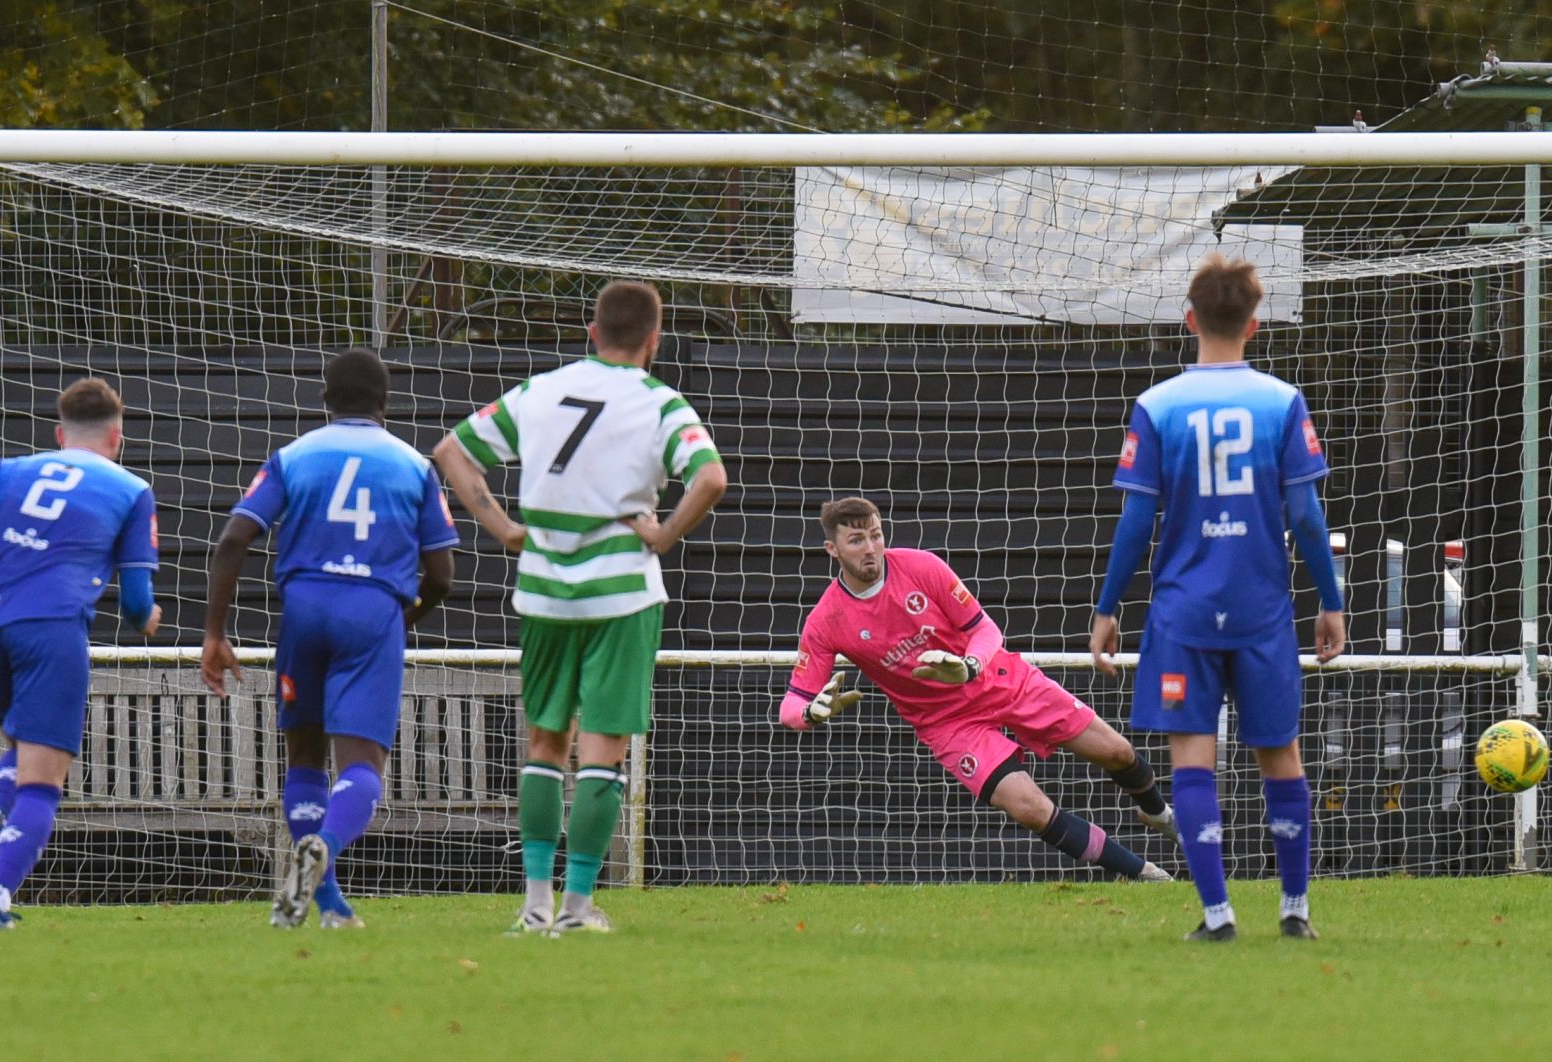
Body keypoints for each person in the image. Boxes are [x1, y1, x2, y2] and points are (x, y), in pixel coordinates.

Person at [433, 280, 728, 935]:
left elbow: (452, 451)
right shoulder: (660, 402)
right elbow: (710, 477)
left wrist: (504, 528)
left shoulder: (539, 391)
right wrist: (663, 534)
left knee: (545, 741)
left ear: (591, 332)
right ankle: (577, 907)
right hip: (621, 593)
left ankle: (534, 905)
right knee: (602, 750)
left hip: (543, 590)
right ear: (654, 340)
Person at [1088, 254, 1345, 942]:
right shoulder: (1282, 401)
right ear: (1254, 325)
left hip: (1184, 612)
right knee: (1279, 754)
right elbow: (1309, 518)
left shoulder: (1159, 405)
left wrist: (1108, 609)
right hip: (1262, 611)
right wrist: (1332, 601)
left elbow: (1137, 521)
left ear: (1190, 319)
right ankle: (1295, 911)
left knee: (1192, 758)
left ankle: (1218, 915)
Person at [782, 497, 1175, 884]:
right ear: (832, 549)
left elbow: (985, 629)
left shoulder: (921, 566)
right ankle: (1146, 875)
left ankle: (1159, 815)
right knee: (1030, 810)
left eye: (876, 535)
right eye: (856, 541)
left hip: (1002, 680)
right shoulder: (827, 620)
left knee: (1118, 752)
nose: (870, 549)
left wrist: (969, 666)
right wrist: (811, 714)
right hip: (949, 725)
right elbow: (792, 705)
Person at [200, 349, 457, 928]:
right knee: (361, 765)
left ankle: (327, 901)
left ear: (325, 400)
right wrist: (402, 619)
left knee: (305, 758)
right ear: (386, 404)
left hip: (305, 609)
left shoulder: (294, 456)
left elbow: (234, 539)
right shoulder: (414, 466)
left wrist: (215, 631)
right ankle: (326, 853)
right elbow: (441, 574)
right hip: (372, 610)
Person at [0, 378, 162, 928]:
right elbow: (136, 601)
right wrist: (147, 619)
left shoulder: (20, 469)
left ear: (60, 434)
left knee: (20, 739)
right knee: (44, 779)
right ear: (117, 437)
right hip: (49, 624)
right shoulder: (132, 490)